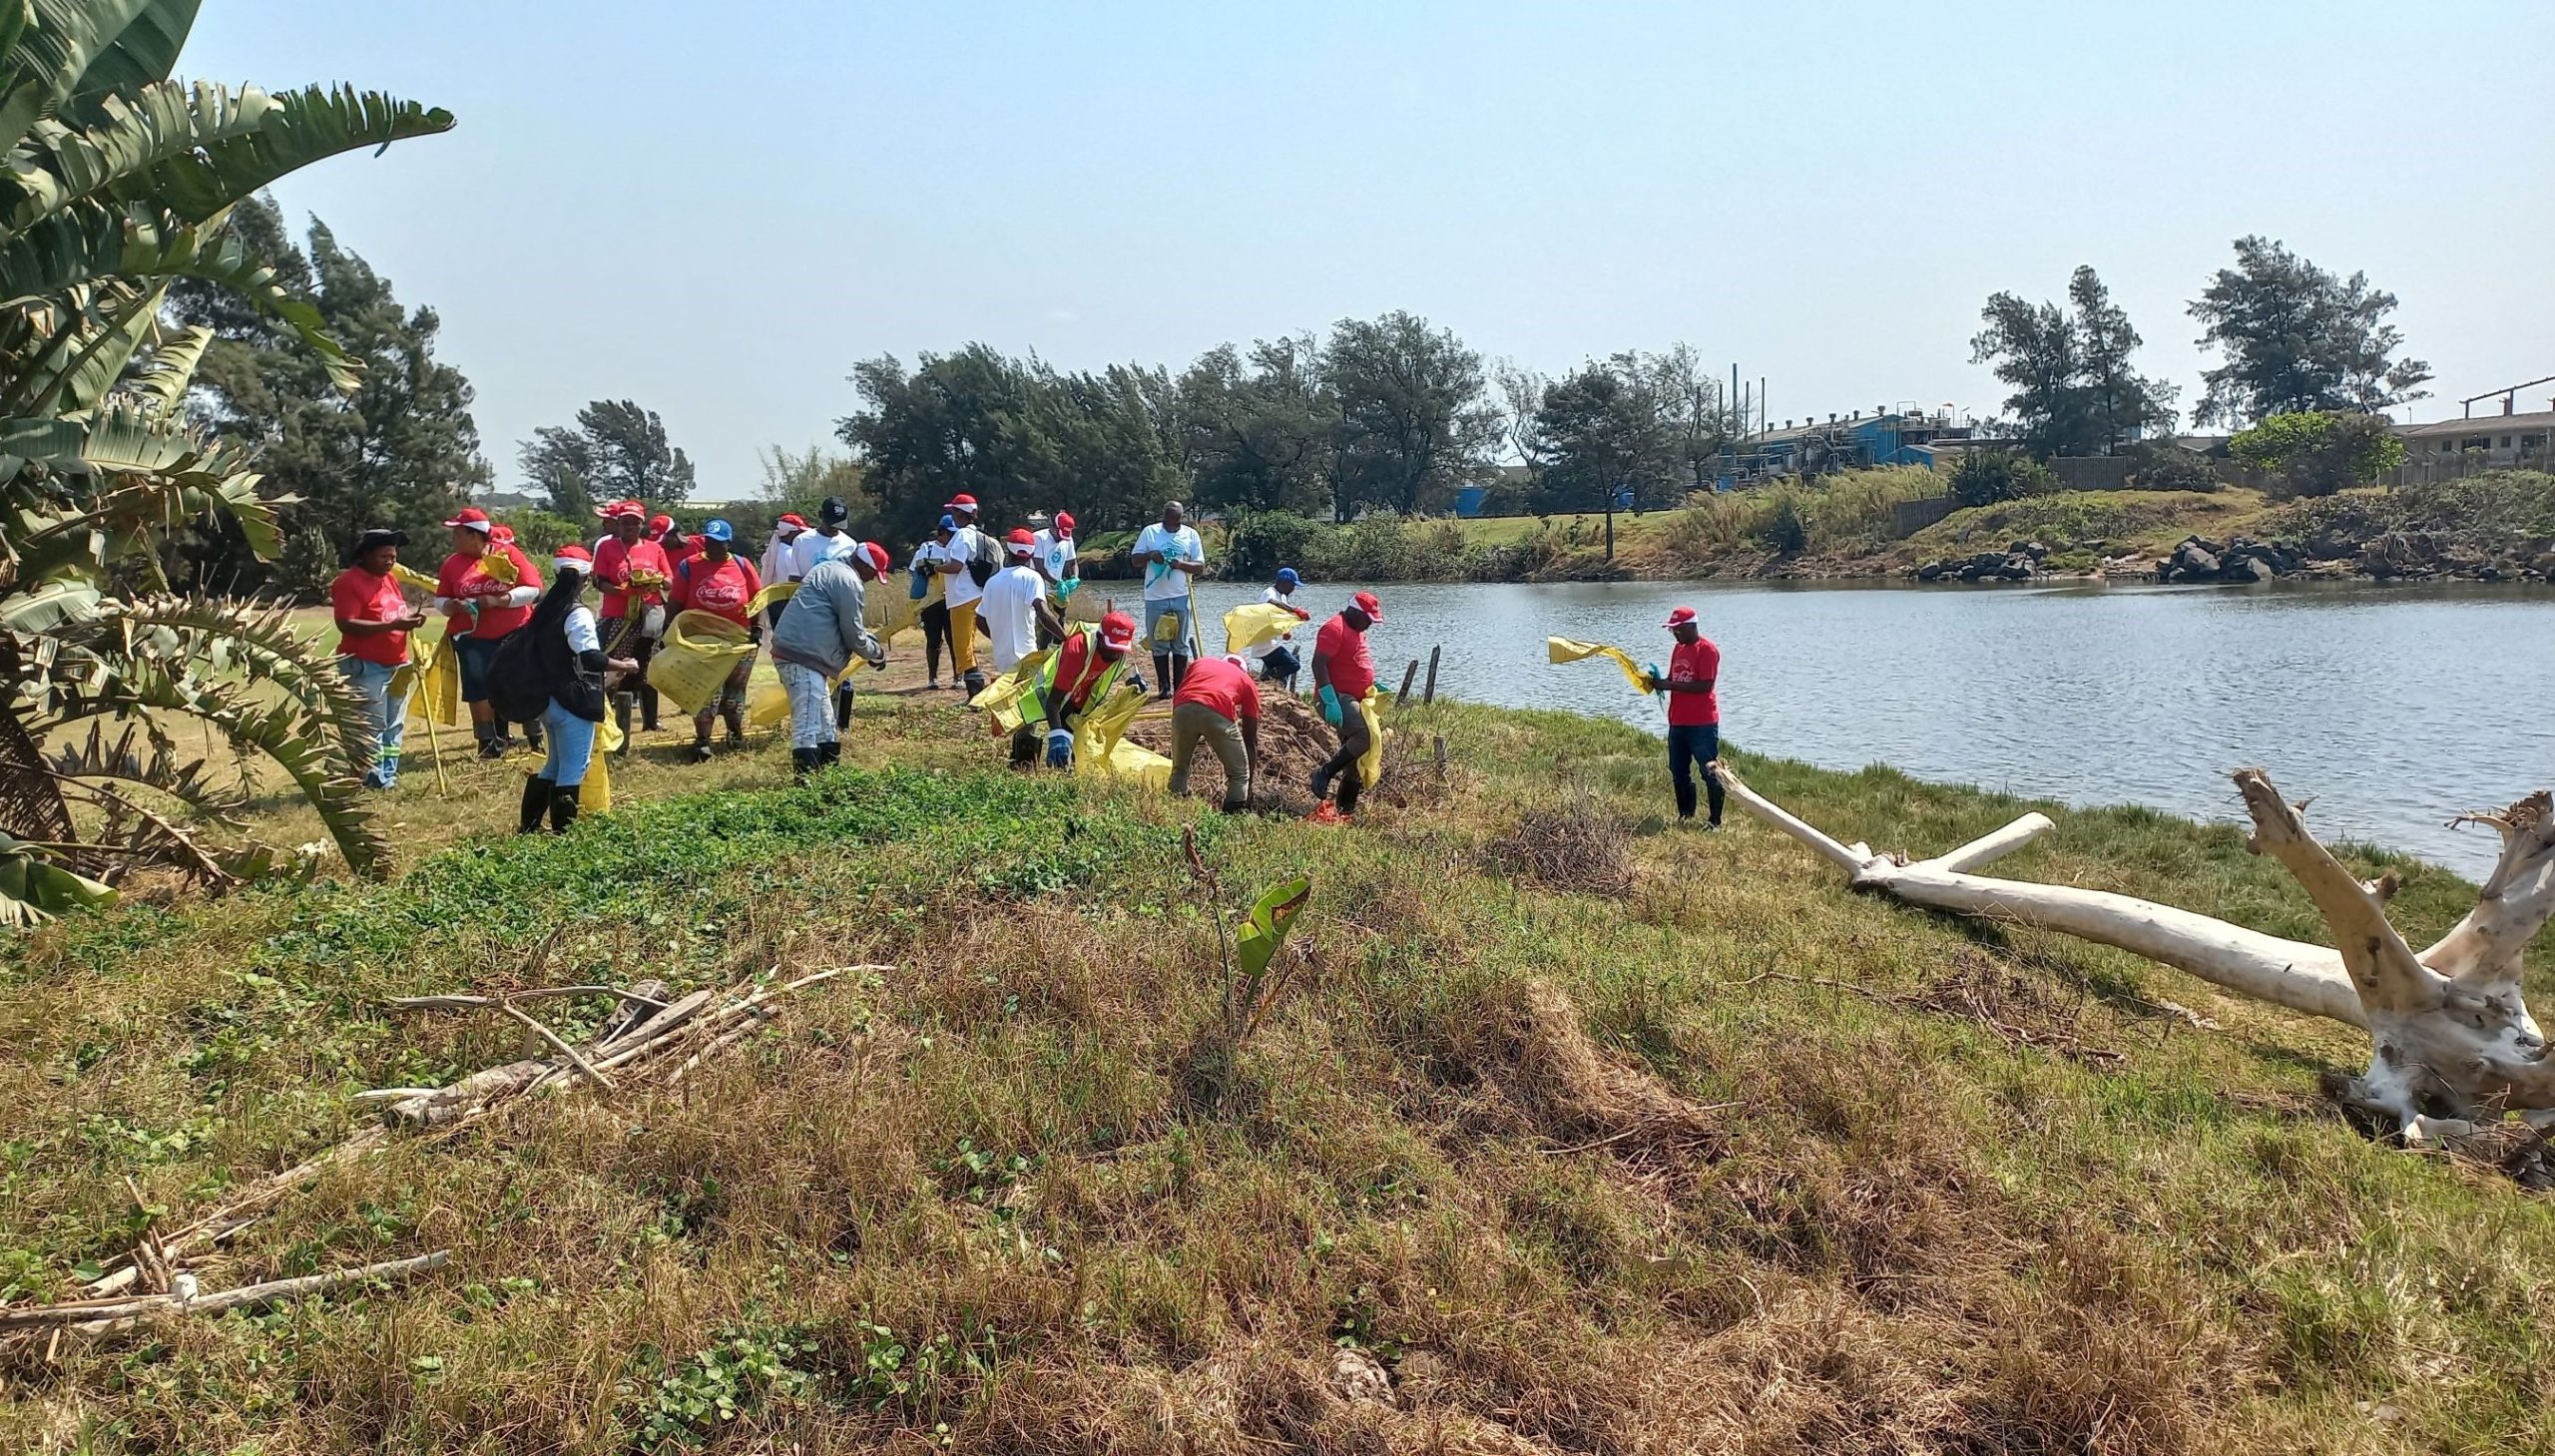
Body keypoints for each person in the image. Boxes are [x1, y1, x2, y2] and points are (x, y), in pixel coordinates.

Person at [519, 545, 638, 834]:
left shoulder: (543, 609)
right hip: (572, 700)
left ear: (556, 573)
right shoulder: (577, 613)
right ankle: (565, 835)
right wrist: (624, 666)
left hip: (546, 700)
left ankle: (529, 827)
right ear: (585, 579)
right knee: (575, 767)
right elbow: (590, 658)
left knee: (554, 764)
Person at [770, 541, 890, 779]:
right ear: (864, 566)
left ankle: (829, 782)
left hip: (804, 654)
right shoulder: (849, 582)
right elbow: (853, 634)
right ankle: (806, 789)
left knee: (826, 726)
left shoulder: (828, 569)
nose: (870, 579)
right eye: (872, 574)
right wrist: (875, 654)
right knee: (807, 726)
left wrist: (866, 641)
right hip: (802, 657)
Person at [433, 506, 544, 758]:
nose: (454, 539)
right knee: (477, 689)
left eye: (458, 533)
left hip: (513, 633)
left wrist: (500, 600)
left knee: (522, 682)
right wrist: (450, 606)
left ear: (474, 535)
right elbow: (441, 599)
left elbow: (533, 588)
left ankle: (535, 738)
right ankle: (487, 743)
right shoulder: (453, 563)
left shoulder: (508, 555)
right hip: (471, 638)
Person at [331, 528, 427, 790]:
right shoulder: (349, 582)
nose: (390, 561)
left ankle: (388, 774)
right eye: (384, 555)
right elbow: (346, 623)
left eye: (393, 556)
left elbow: (392, 613)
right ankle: (370, 777)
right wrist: (391, 625)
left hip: (397, 664)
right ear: (365, 554)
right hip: (366, 665)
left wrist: (409, 622)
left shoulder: (389, 580)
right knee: (371, 724)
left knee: (393, 724)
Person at [670, 518, 765, 762]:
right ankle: (703, 741)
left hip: (738, 641)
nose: (713, 547)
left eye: (719, 543)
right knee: (705, 691)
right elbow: (676, 602)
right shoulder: (688, 566)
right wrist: (668, 631)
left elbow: (757, 599)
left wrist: (758, 628)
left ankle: (735, 734)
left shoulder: (743, 566)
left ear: (729, 543)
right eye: (709, 542)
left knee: (735, 692)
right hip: (701, 642)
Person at [1012, 610, 1140, 769]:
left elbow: (1119, 665)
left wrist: (1132, 676)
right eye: (1111, 648)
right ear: (1100, 638)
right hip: (1049, 692)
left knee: (1070, 746)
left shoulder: (1119, 649)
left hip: (1079, 697)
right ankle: (1023, 768)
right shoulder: (1077, 650)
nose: (1115, 654)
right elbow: (1053, 701)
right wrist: (1056, 735)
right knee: (1031, 733)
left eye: (1119, 649)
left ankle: (1063, 771)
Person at [592, 499, 672, 740]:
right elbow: (599, 580)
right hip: (618, 616)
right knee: (615, 666)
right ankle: (607, 718)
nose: (629, 527)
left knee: (647, 667)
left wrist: (654, 580)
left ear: (641, 525)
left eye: (634, 523)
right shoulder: (607, 548)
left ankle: (651, 720)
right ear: (618, 524)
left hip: (649, 614)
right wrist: (620, 590)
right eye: (625, 522)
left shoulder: (654, 549)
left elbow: (669, 579)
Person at [1307, 591, 1384, 824]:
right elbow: (1318, 664)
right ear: (1355, 612)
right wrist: (1330, 700)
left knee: (1355, 760)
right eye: (1368, 619)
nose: (1370, 624)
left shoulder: (1356, 629)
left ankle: (1345, 813)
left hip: (1353, 698)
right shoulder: (1334, 627)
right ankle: (1324, 773)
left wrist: (1372, 685)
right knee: (1366, 736)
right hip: (1336, 697)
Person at [1645, 606, 1725, 828]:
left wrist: (1669, 684)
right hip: (1678, 721)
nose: (1675, 633)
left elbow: (1705, 685)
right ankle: (1685, 815)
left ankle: (1715, 822)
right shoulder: (1678, 649)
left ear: (1691, 626)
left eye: (1677, 629)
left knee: (1710, 771)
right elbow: (1674, 679)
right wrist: (1658, 682)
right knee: (1678, 769)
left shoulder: (1707, 650)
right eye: (1672, 630)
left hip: (1702, 723)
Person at [790, 496, 864, 726]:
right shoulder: (803, 542)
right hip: (811, 616)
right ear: (820, 516)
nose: (834, 529)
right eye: (830, 522)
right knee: (813, 671)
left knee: (842, 671)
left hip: (839, 615)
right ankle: (817, 721)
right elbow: (795, 579)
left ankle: (841, 723)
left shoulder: (850, 545)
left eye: (839, 524)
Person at [1130, 500, 1206, 698]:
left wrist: (1181, 564)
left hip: (1181, 596)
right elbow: (1135, 560)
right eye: (1168, 521)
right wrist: (1150, 555)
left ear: (1181, 519)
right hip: (1155, 598)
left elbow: (1200, 566)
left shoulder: (1190, 535)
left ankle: (1180, 688)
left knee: (1179, 644)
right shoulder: (1150, 532)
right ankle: (1164, 688)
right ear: (1164, 516)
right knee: (1158, 643)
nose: (1172, 526)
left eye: (1176, 522)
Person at [1168, 654, 1262, 812]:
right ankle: (1232, 817)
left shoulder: (1201, 662)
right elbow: (1250, 740)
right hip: (1218, 710)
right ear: (1244, 670)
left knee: (1179, 769)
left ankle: (1172, 810)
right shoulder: (1247, 682)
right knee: (1239, 775)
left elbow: (1184, 686)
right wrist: (1249, 785)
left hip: (1182, 707)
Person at [934, 493, 994, 696]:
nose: (952, 515)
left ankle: (975, 695)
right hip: (977, 594)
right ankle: (976, 692)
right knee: (968, 644)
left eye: (953, 511)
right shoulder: (977, 535)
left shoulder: (961, 536)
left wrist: (936, 568)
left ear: (960, 514)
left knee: (962, 647)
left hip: (962, 597)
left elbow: (956, 566)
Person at [977, 528, 1058, 677]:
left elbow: (980, 619)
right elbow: (1043, 612)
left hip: (1002, 658)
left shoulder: (992, 582)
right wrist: (1065, 638)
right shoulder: (1032, 577)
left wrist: (997, 637)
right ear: (1032, 554)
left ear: (1008, 552)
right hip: (1026, 654)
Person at [909, 516, 957, 689]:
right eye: (949, 534)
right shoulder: (927, 548)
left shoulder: (957, 548)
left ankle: (958, 677)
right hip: (931, 602)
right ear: (941, 532)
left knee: (954, 639)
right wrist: (928, 569)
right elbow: (915, 569)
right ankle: (933, 678)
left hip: (952, 600)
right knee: (933, 640)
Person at [1248, 566, 1312, 691]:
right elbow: (1272, 603)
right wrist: (1296, 610)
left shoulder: (1282, 597)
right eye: (1292, 585)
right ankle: (1262, 680)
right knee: (1293, 664)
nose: (1293, 588)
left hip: (1271, 641)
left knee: (1281, 676)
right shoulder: (1270, 592)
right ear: (1283, 582)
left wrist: (1286, 630)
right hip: (1263, 641)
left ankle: (1269, 686)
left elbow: (1282, 616)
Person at [1031, 510, 1079, 645]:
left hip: (1058, 591)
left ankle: (1059, 653)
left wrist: (1074, 577)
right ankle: (1043, 653)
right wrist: (1057, 583)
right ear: (1053, 527)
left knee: (1060, 621)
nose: (1062, 538)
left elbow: (1072, 562)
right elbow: (1039, 567)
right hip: (1041, 588)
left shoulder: (1067, 539)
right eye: (1060, 533)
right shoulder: (1039, 538)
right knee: (1046, 625)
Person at [759, 513, 807, 617]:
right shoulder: (790, 554)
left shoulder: (774, 551)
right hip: (788, 602)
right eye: (800, 532)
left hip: (774, 600)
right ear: (790, 533)